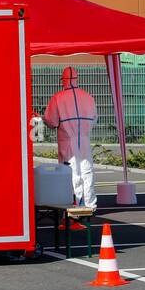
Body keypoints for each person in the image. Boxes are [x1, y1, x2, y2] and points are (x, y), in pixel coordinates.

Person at [43, 67, 98, 211]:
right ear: (76, 79)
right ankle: (90, 204)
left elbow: (52, 121)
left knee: (71, 172)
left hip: (67, 139)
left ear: (63, 80)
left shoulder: (58, 98)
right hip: (85, 138)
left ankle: (75, 203)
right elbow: (94, 119)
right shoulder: (88, 97)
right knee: (87, 170)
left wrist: (42, 119)